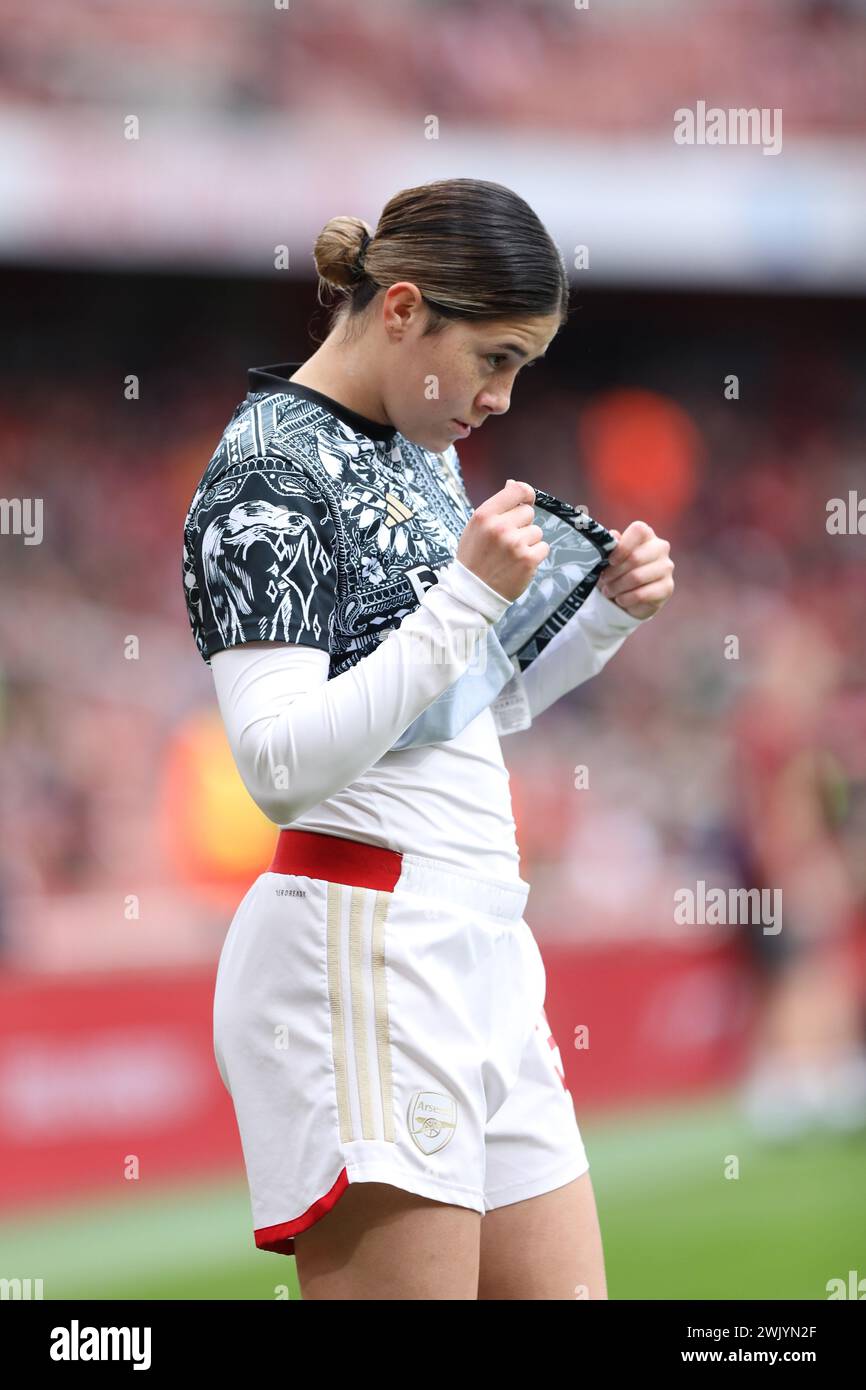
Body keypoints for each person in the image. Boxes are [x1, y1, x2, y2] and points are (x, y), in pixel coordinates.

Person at [181, 178, 674, 1300]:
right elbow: (277, 767)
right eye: (495, 357)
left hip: (477, 940)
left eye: (519, 368)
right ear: (401, 309)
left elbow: (455, 715)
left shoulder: (419, 445)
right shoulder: (263, 474)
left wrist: (599, 621)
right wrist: (461, 596)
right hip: (363, 941)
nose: (499, 397)